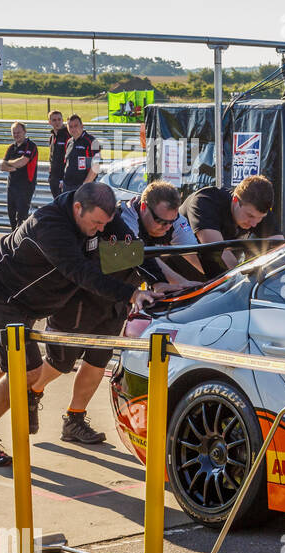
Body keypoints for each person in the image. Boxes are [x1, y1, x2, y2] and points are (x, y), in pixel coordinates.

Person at [0, 182, 153, 466]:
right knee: (27, 371)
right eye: (95, 223)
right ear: (78, 208)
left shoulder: (102, 213)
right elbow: (82, 273)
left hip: (29, 298)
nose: (100, 230)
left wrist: (162, 280)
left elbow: (132, 252)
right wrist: (131, 294)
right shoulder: (50, 226)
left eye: (105, 223)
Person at [34, 181, 200, 444]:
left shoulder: (168, 221)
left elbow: (180, 252)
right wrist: (160, 280)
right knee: (60, 362)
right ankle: (32, 391)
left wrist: (193, 281)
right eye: (160, 221)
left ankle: (74, 420)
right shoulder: (120, 220)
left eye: (171, 222)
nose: (165, 227)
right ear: (144, 208)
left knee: (98, 360)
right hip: (82, 297)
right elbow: (135, 255)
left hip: (117, 300)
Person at [181, 174, 279, 276]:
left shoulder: (257, 210)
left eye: (261, 218)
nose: (254, 224)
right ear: (235, 200)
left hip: (214, 274)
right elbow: (219, 252)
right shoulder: (205, 202)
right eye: (250, 216)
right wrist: (244, 279)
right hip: (177, 274)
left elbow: (279, 248)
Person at [0, 122, 39, 230]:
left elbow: (22, 162)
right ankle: (14, 238)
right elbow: (2, 166)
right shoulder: (11, 147)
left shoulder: (31, 146)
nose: (16, 135)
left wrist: (10, 163)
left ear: (24, 132)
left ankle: (22, 240)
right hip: (11, 185)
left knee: (21, 216)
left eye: (19, 132)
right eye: (14, 132)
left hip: (25, 186)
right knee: (11, 215)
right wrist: (13, 166)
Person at [62, 114, 102, 192]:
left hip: (83, 187)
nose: (73, 129)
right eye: (70, 127)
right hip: (67, 186)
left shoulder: (92, 141)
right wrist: (62, 181)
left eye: (76, 126)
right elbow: (67, 163)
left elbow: (96, 166)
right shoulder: (69, 142)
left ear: (82, 126)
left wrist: (85, 185)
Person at [46, 110, 70, 199]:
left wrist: (64, 179)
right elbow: (52, 158)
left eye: (59, 119)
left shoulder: (68, 135)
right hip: (53, 178)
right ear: (49, 122)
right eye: (54, 120)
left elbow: (69, 158)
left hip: (63, 179)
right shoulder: (52, 137)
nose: (57, 122)